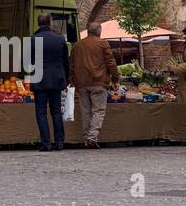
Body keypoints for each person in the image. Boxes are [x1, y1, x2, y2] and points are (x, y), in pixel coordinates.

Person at [69, 20, 119, 148]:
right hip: (98, 82)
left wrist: (72, 80)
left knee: (85, 111)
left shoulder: (77, 45)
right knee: (98, 110)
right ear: (99, 32)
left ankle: (87, 138)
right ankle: (92, 138)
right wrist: (115, 79)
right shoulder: (103, 44)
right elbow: (111, 63)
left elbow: (71, 65)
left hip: (81, 83)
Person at [30, 12, 69, 151]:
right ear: (50, 22)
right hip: (57, 79)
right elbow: (66, 61)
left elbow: (27, 61)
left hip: (39, 80)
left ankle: (46, 143)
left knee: (41, 112)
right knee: (56, 111)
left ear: (38, 23)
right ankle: (59, 142)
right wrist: (67, 79)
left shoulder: (34, 39)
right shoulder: (59, 39)